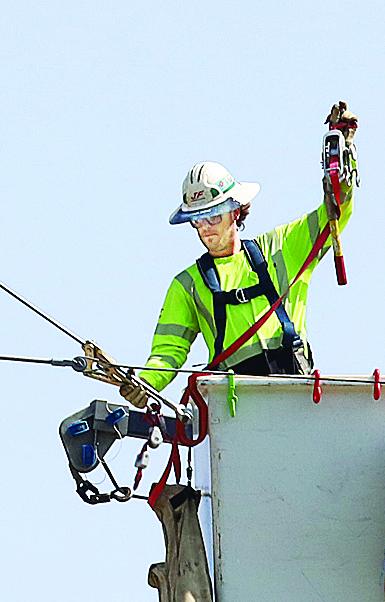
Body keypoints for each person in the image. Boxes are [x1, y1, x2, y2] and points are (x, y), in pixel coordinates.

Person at [124, 106, 356, 403]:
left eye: (213, 217)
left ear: (235, 210)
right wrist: (144, 383)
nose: (204, 228)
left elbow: (336, 210)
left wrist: (342, 159)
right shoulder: (187, 285)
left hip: (297, 396)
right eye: (197, 219)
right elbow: (167, 353)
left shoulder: (282, 248)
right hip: (236, 411)